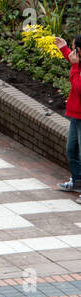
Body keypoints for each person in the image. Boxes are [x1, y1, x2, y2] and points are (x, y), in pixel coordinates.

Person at [53, 35, 81, 200]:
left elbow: (78, 88)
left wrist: (75, 67)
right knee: (71, 150)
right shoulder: (78, 61)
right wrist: (64, 49)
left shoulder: (78, 66)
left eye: (74, 48)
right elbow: (74, 60)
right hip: (75, 115)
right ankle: (77, 181)